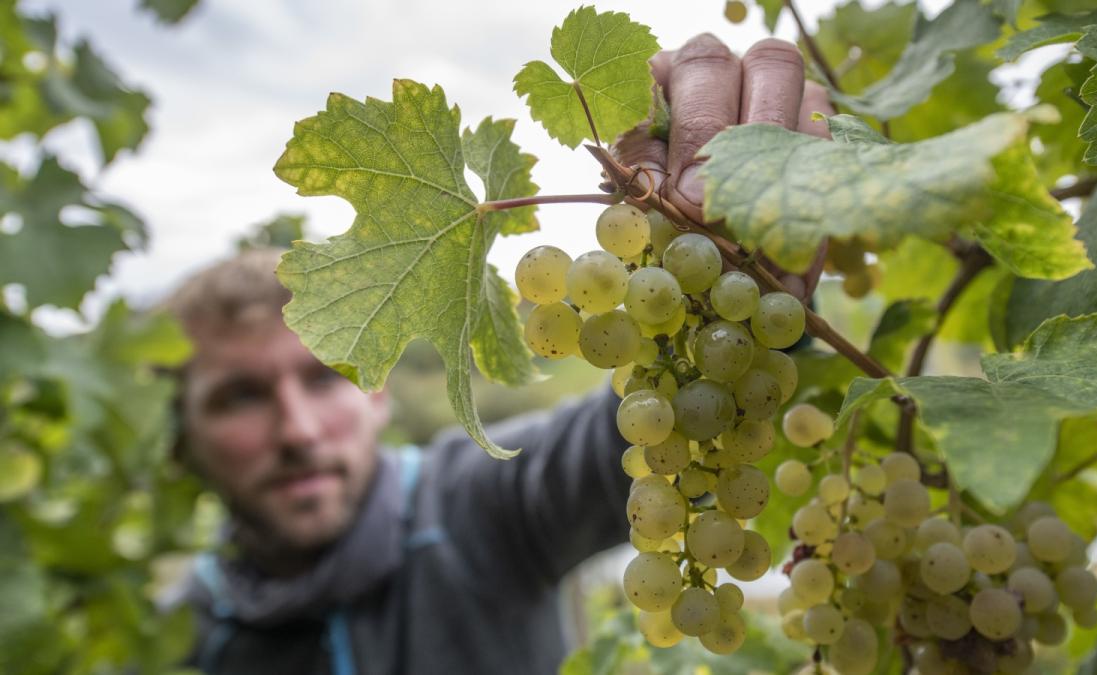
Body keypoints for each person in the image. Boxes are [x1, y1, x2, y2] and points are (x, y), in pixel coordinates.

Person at [169, 35, 831, 675]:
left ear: (377, 390)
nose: (298, 430)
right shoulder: (172, 638)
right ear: (184, 432)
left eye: (324, 377)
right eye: (241, 396)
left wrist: (735, 268)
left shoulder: (479, 507)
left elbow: (661, 420)